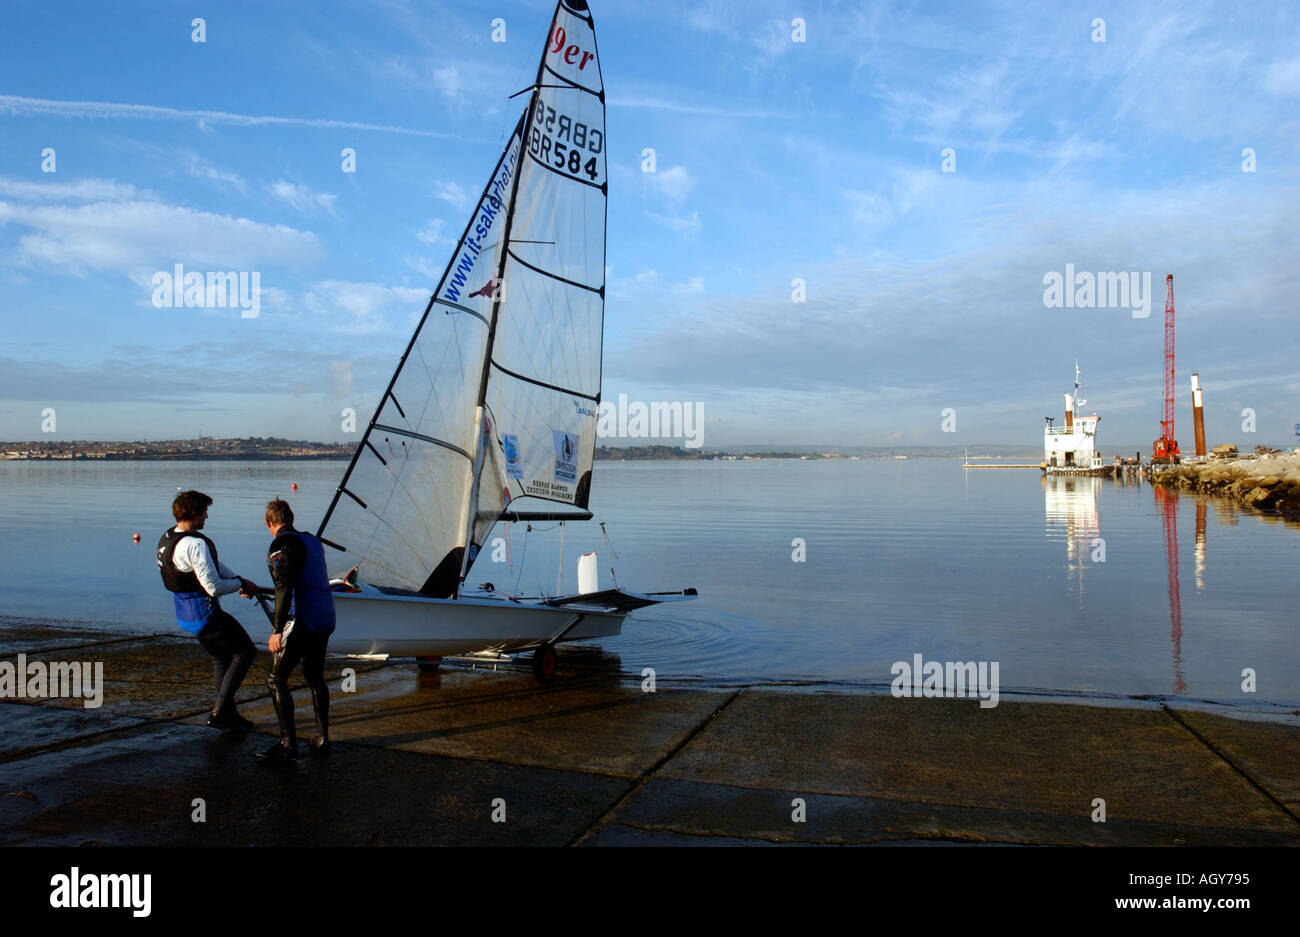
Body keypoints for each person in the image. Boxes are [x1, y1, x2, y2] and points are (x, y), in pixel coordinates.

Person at [157, 490, 260, 732]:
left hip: (185, 615)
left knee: (221, 657)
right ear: (192, 512)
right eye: (204, 512)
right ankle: (219, 712)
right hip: (206, 615)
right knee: (246, 651)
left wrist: (238, 579)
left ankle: (229, 716)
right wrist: (240, 585)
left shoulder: (168, 537)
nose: (206, 517)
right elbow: (213, 588)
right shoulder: (194, 544)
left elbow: (215, 567)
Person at [258, 499, 337, 761]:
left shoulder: (280, 545)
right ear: (291, 518)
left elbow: (284, 588)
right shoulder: (313, 541)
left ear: (270, 523)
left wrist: (276, 630)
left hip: (301, 620)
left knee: (275, 678)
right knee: (315, 677)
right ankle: (322, 737)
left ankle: (286, 745)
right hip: (325, 616)